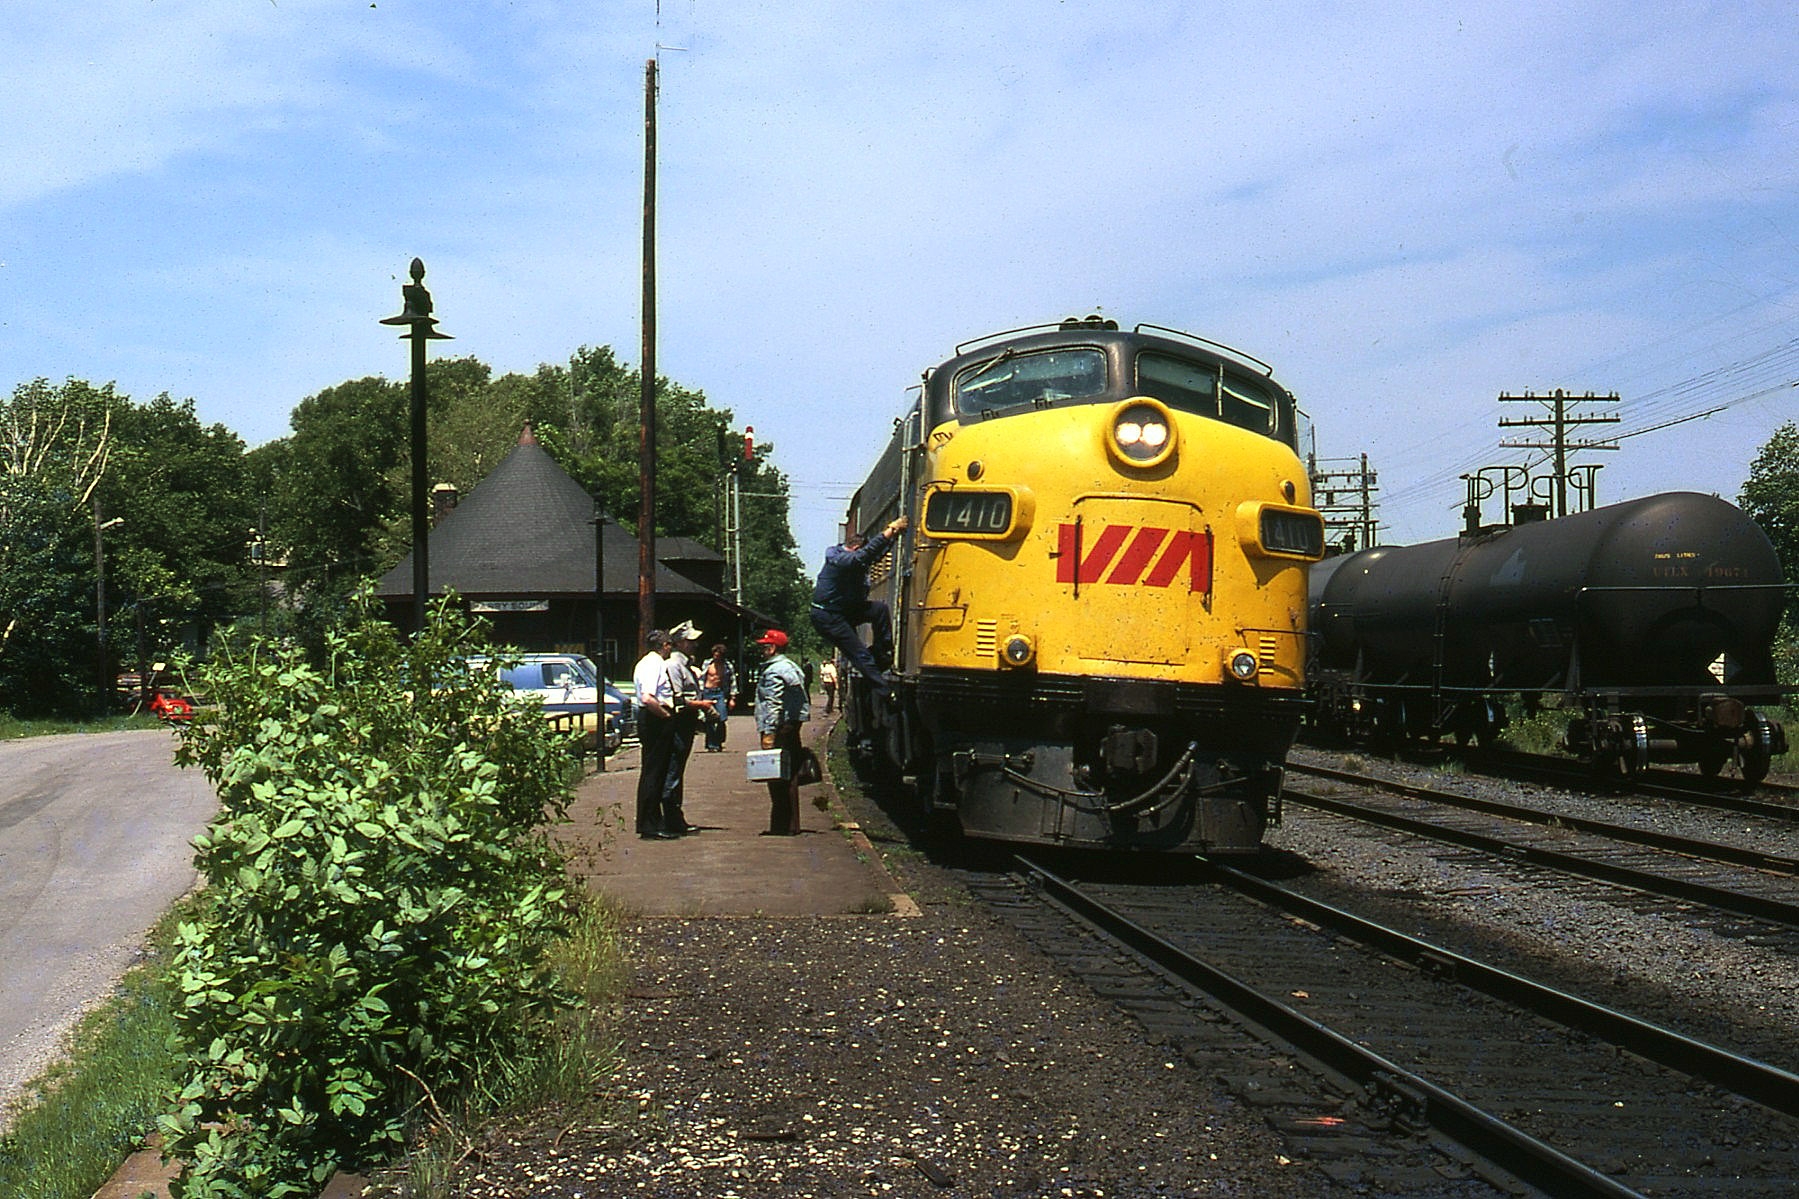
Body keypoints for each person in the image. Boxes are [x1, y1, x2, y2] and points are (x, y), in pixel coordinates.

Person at [809, 514, 908, 698]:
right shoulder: (838, 558)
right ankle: (886, 694)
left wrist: (893, 537)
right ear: (854, 548)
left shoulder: (852, 557)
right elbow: (861, 557)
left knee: (879, 610)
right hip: (827, 616)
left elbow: (872, 555)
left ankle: (882, 652)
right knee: (859, 654)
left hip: (843, 610)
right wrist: (888, 532)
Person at [753, 628, 810, 835]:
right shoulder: (790, 666)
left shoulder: (774, 670)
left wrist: (768, 732)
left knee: (776, 774)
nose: (762, 650)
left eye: (765, 646)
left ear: (773, 647)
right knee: (790, 774)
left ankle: (780, 826)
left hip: (780, 727)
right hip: (791, 724)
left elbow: (773, 702)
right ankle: (791, 825)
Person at [658, 620, 712, 834]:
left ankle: (675, 817)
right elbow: (678, 699)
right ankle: (671, 819)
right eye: (690, 641)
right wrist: (702, 705)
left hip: (687, 722)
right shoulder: (674, 665)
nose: (694, 645)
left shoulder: (686, 664)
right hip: (680, 722)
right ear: (679, 642)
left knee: (678, 768)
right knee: (673, 769)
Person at [631, 630, 680, 840]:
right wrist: (666, 717)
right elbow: (648, 697)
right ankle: (650, 824)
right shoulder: (655, 664)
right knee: (654, 772)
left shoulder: (645, 663)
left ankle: (651, 821)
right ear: (665, 645)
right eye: (670, 645)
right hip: (656, 719)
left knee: (654, 771)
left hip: (653, 718)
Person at [700, 643, 735, 752]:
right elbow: (701, 678)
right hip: (707, 691)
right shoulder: (707, 664)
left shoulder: (728, 666)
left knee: (721, 718)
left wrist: (732, 698)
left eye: (719, 655)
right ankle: (711, 745)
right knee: (710, 719)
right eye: (715, 654)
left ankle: (719, 741)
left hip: (719, 692)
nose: (716, 657)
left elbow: (733, 681)